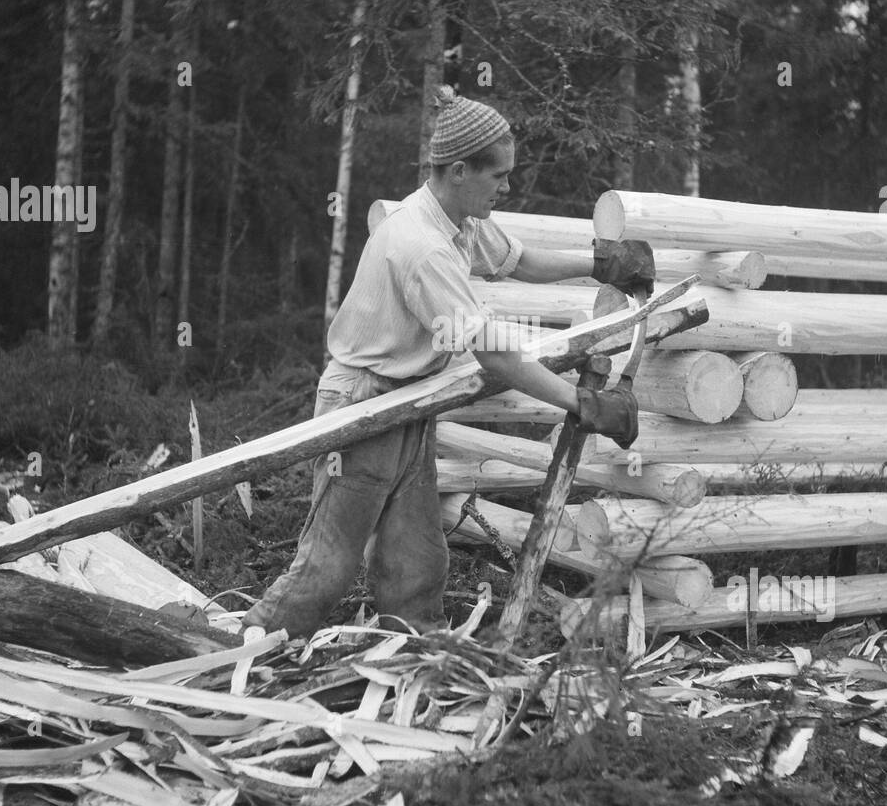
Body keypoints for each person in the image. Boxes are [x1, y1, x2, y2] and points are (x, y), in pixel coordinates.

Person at [244, 85, 654, 638]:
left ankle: (420, 656)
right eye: (499, 176)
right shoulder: (423, 246)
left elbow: (518, 260)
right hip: (361, 407)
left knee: (415, 556)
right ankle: (244, 650)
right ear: (459, 170)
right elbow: (491, 349)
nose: (507, 187)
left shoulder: (458, 222)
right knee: (329, 562)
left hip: (408, 400)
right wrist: (581, 403)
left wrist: (600, 263)